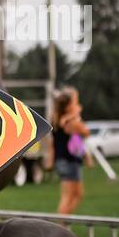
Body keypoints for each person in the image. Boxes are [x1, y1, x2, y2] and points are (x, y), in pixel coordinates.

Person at [50, 85, 90, 215]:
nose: (77, 104)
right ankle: (61, 225)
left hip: (65, 160)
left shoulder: (58, 117)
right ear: (68, 105)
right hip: (68, 161)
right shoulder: (70, 121)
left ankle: (64, 224)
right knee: (68, 197)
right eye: (75, 101)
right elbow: (85, 132)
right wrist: (76, 114)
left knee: (77, 194)